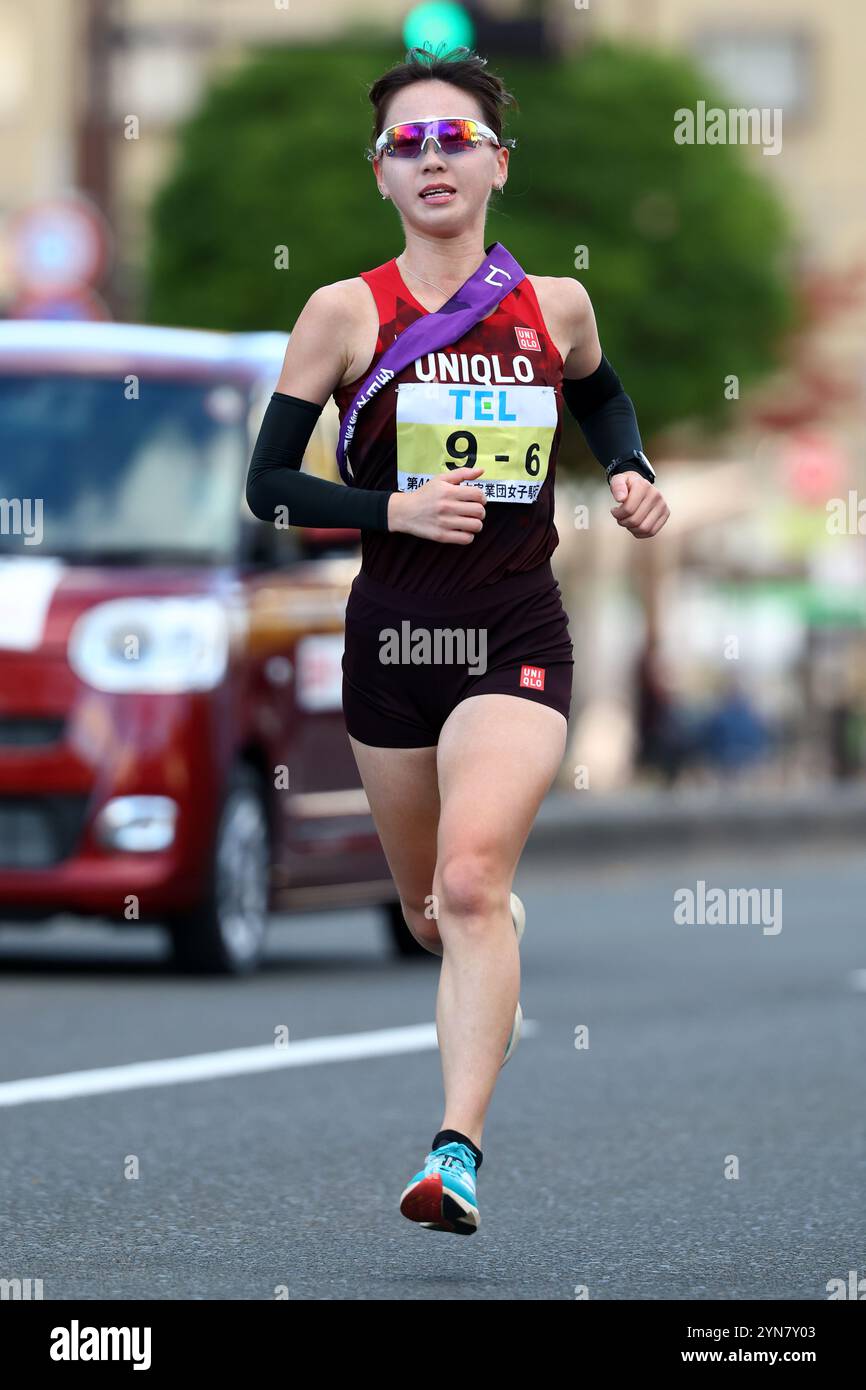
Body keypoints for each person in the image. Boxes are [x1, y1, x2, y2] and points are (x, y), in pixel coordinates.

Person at [245, 45, 670, 1236]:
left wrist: (629, 469)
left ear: (496, 162)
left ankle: (455, 1151)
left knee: (474, 882)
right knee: (432, 909)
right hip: (391, 641)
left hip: (513, 631)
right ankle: (471, 930)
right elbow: (268, 489)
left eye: (455, 139)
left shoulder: (555, 303)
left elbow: (598, 393)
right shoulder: (341, 312)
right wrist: (390, 508)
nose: (433, 159)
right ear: (379, 174)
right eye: (407, 145)